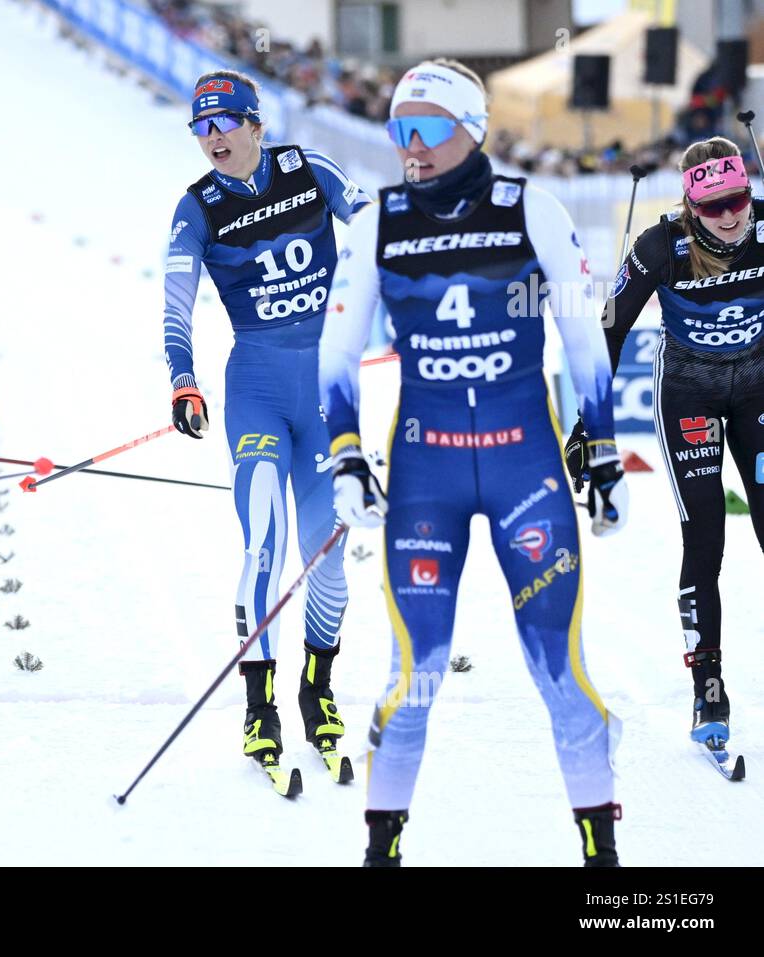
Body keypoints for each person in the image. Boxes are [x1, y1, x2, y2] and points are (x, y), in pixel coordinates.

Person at [317, 59, 628, 865]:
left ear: (472, 129)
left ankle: (603, 855)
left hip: (527, 467)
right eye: (396, 129)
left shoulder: (533, 208)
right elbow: (336, 352)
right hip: (428, 474)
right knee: (413, 678)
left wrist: (599, 445)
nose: (407, 147)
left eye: (424, 128)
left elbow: (583, 336)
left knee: (561, 674)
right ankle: (381, 848)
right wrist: (347, 452)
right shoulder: (376, 221)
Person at [163, 69, 370, 788]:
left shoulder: (308, 171)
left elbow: (377, 229)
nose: (213, 137)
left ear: (256, 124)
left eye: (225, 123)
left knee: (331, 553)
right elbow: (176, 299)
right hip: (254, 388)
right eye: (201, 127)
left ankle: (318, 685)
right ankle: (260, 706)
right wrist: (181, 375)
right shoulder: (196, 209)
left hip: (324, 393)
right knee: (264, 545)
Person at [567, 137, 764, 759]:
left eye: (739, 199)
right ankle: (709, 684)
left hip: (757, 386)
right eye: (713, 207)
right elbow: (610, 329)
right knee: (706, 537)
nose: (731, 215)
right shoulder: (660, 248)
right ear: (690, 206)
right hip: (688, 394)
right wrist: (590, 422)